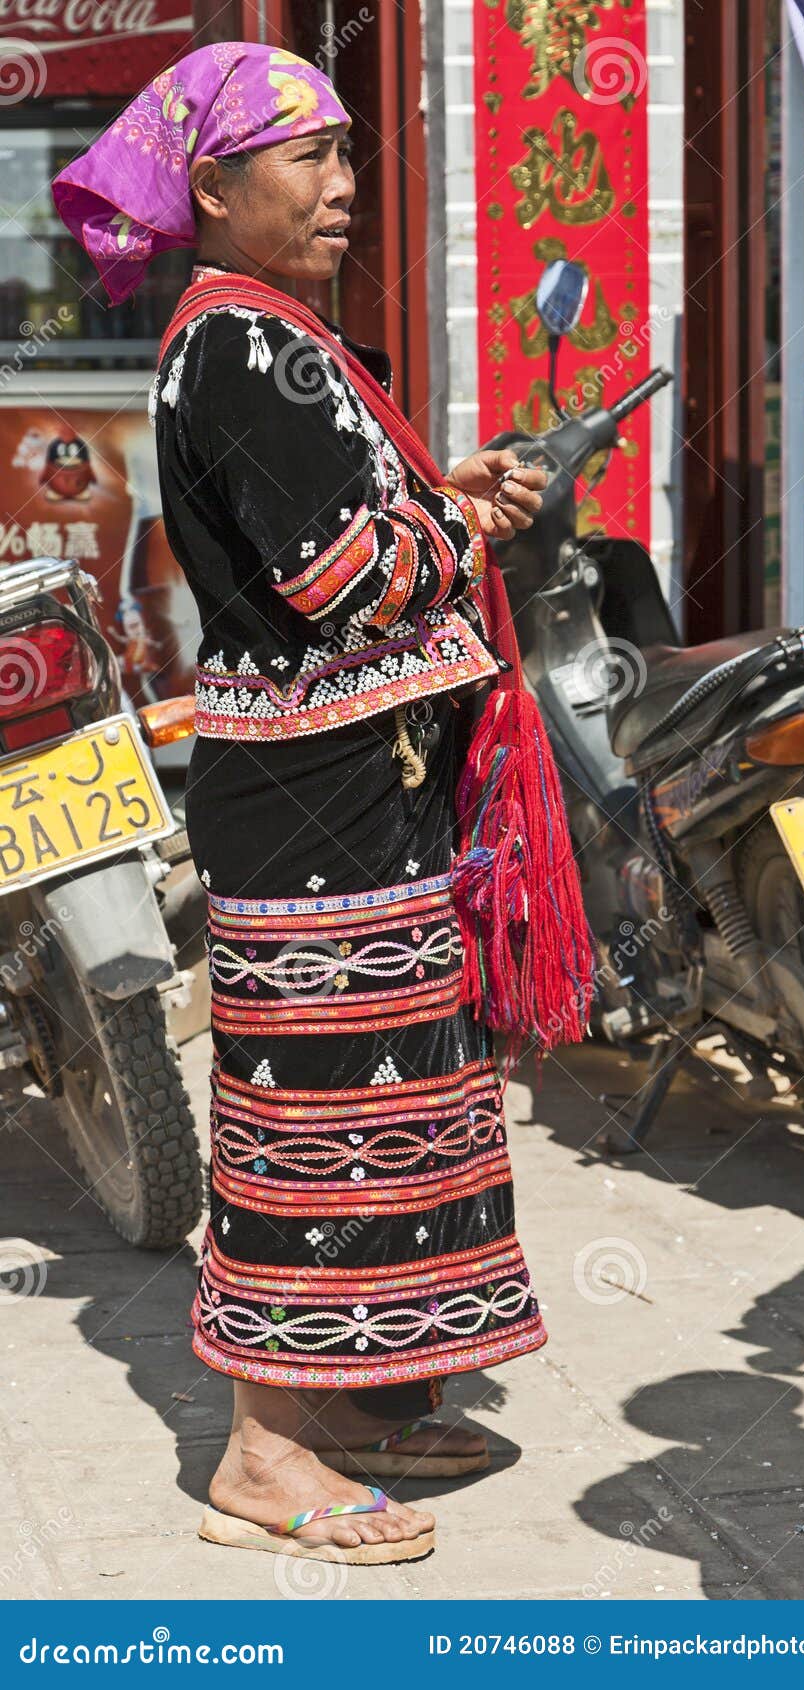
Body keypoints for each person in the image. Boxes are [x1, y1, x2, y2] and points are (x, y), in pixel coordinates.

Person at [53, 42, 586, 1567]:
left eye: (349, 155)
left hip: (358, 797)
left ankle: (347, 1400)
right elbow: (339, 580)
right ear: (214, 189)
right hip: (311, 810)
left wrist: (444, 499)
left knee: (385, 1107)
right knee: (311, 1123)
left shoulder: (271, 337)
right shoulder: (241, 348)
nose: (343, 187)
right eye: (308, 159)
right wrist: (444, 529)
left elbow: (356, 533)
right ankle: (264, 1451)